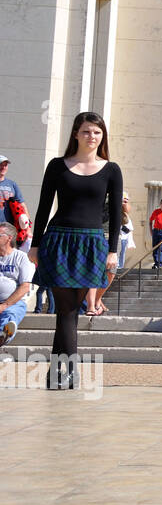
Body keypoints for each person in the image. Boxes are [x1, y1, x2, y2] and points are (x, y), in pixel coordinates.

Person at [28, 111, 123, 390]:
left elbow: (116, 215)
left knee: (70, 311)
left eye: (96, 132)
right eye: (85, 131)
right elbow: (44, 206)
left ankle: (60, 373)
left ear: (102, 136)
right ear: (75, 134)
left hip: (92, 243)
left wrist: (113, 251)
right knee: (67, 309)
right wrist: (35, 244)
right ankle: (65, 373)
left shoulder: (111, 169)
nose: (91, 137)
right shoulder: (57, 165)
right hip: (58, 240)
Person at [0, 223, 34, 347]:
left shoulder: (21, 257)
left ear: (9, 238)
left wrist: (4, 305)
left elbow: (25, 286)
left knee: (10, 314)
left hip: (13, 302)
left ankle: (3, 335)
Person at [0, 155, 29, 253]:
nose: (3, 167)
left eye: (5, 165)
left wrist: (27, 229)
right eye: (1, 164)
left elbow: (22, 206)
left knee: (8, 255)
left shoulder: (12, 184)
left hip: (9, 229)